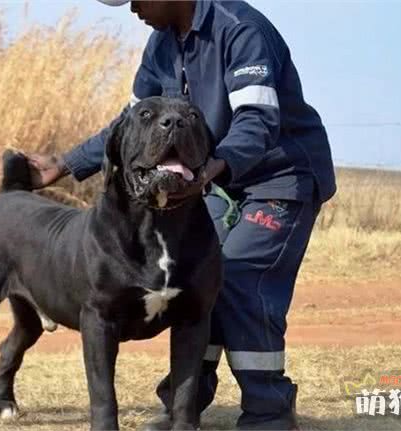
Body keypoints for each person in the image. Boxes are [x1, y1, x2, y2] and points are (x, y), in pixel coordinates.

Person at [27, 1, 336, 430]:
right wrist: (65, 164)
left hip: (279, 178)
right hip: (216, 178)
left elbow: (257, 122)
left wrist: (211, 170)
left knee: (240, 279)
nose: (132, 8)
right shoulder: (161, 44)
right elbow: (133, 124)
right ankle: (184, 411)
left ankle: (270, 414)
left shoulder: (241, 30)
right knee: (196, 279)